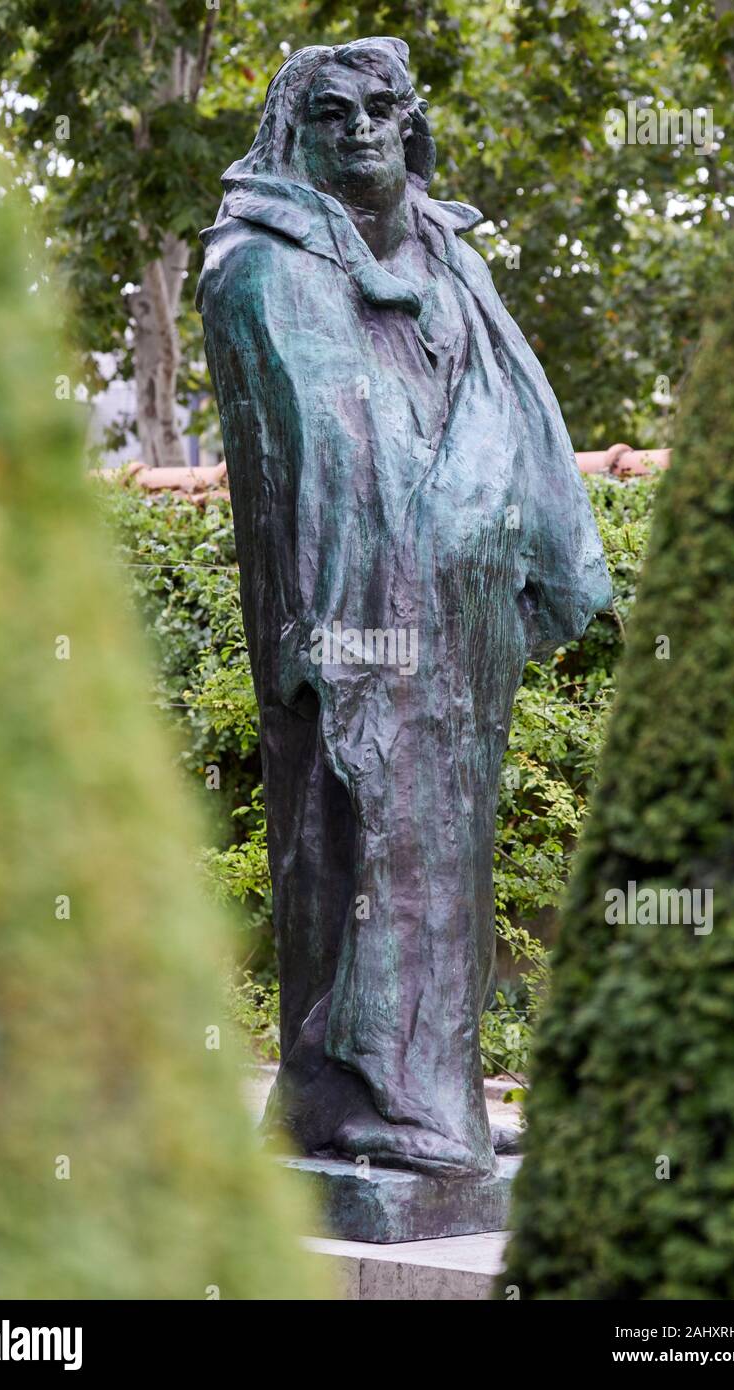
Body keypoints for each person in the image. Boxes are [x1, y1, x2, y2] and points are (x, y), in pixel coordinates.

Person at [197, 37, 611, 1178]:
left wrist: (502, 528)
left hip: (458, 615)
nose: (366, 131)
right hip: (355, 619)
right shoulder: (257, 266)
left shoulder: (444, 251)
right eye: (335, 115)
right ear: (296, 135)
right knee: (357, 839)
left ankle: (414, 1093)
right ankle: (380, 1099)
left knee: (446, 851)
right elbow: (338, 448)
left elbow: (511, 409)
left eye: (384, 109)